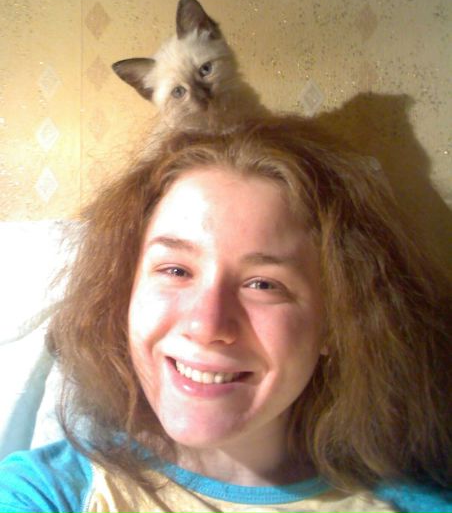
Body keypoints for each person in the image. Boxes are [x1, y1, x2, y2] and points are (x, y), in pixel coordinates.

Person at [0, 114, 450, 512]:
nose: (206, 325)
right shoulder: (45, 493)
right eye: (175, 270)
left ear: (336, 322)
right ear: (125, 293)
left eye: (263, 284)